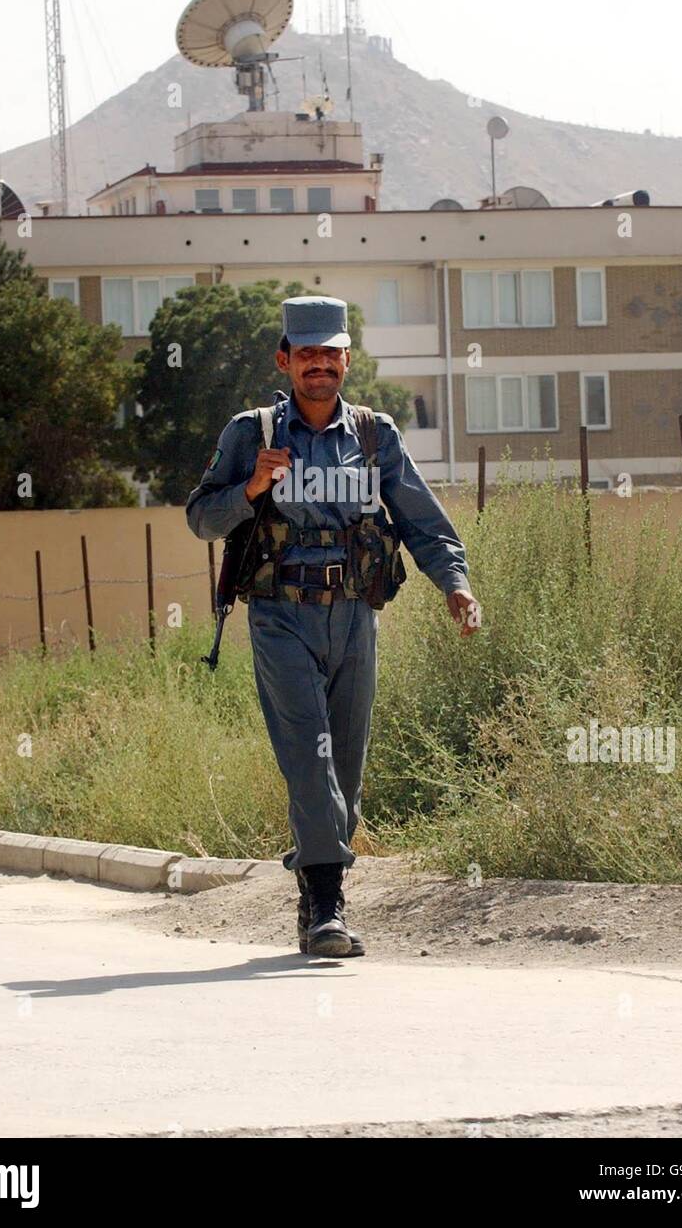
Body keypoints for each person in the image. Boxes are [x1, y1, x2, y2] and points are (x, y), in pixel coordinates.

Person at [186, 296, 481, 957]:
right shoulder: (252, 433)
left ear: (347, 359)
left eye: (331, 353)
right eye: (307, 353)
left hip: (354, 617)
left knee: (344, 769)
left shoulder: (376, 437)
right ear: (285, 360)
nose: (319, 365)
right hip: (280, 617)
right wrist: (250, 492)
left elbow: (422, 523)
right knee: (310, 757)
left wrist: (455, 585)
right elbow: (202, 518)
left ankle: (315, 887)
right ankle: (327, 906)